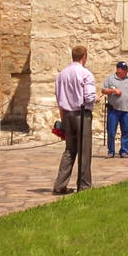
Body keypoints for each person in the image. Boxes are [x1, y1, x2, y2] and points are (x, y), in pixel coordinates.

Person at [54, 45, 96, 194]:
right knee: (84, 149)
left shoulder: (61, 74)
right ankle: (84, 185)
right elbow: (89, 96)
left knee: (69, 150)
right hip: (82, 114)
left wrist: (62, 119)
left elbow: (59, 98)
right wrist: (94, 100)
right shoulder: (86, 74)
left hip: (67, 113)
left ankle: (60, 184)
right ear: (84, 57)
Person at [101, 61, 128, 158]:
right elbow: (103, 90)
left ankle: (124, 151)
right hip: (113, 110)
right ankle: (111, 151)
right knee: (111, 132)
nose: (126, 72)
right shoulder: (110, 79)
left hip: (126, 110)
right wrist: (113, 90)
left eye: (126, 70)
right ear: (118, 69)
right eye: (124, 69)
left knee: (125, 132)